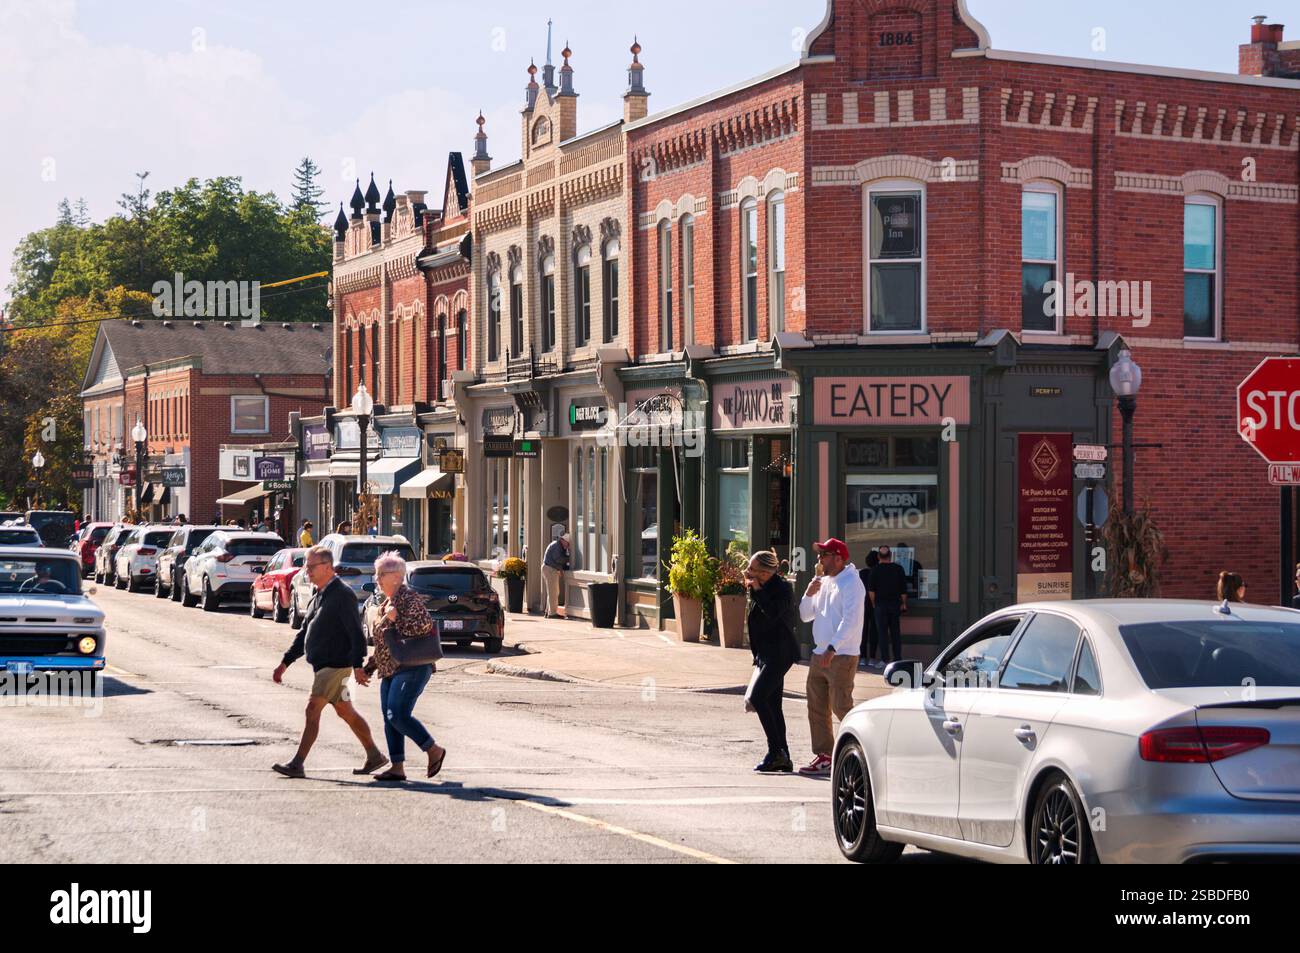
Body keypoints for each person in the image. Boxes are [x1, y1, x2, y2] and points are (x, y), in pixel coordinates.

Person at [271, 545, 387, 779]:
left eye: (311, 567)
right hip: (324, 665)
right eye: (306, 567)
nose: (308, 571)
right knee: (346, 711)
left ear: (327, 567)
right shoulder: (319, 595)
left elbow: (355, 632)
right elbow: (304, 633)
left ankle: (298, 763)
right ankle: (374, 755)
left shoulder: (342, 594)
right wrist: (285, 662)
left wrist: (357, 665)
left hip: (336, 665)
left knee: (312, 709)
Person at [364, 551, 448, 782]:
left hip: (413, 667)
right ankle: (397, 767)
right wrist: (369, 667)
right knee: (389, 717)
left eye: (381, 574)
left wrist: (395, 619)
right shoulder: (385, 604)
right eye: (377, 573)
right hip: (391, 669)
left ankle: (433, 750)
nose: (377, 578)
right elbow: (384, 644)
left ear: (397, 577)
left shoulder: (409, 599)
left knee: (397, 714)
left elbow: (423, 627)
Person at [797, 538, 865, 776]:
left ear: (838, 558)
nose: (819, 559)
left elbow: (851, 620)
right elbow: (806, 615)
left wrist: (833, 648)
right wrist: (807, 595)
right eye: (819, 555)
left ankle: (860, 749)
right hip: (820, 653)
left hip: (842, 655)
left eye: (824, 555)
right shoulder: (823, 581)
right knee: (816, 708)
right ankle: (825, 755)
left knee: (841, 705)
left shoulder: (852, 583)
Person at [745, 550, 799, 773]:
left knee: (758, 698)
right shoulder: (762, 587)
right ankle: (783, 755)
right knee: (774, 704)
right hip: (766, 653)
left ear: (766, 573)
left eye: (752, 569)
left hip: (780, 652)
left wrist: (757, 590)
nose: (748, 572)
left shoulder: (782, 588)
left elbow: (772, 613)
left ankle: (775, 752)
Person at [868, 545, 909, 664]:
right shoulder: (898, 569)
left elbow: (871, 592)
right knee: (895, 633)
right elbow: (903, 591)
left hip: (880, 605)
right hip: (895, 605)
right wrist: (904, 603)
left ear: (878, 556)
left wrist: (874, 603)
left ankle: (885, 660)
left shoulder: (874, 570)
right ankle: (897, 659)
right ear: (891, 555)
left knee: (882, 634)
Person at [858, 550, 881, 669]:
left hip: (862, 605)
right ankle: (872, 658)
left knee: (863, 631)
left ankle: (862, 657)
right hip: (875, 604)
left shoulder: (862, 573)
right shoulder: (879, 572)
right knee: (874, 632)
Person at [542, 534, 570, 619]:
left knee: (553, 592)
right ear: (563, 540)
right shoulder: (557, 546)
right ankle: (552, 613)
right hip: (550, 569)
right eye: (568, 544)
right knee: (553, 592)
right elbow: (558, 559)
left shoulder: (557, 545)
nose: (568, 546)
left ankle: (548, 612)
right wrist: (569, 558)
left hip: (550, 569)